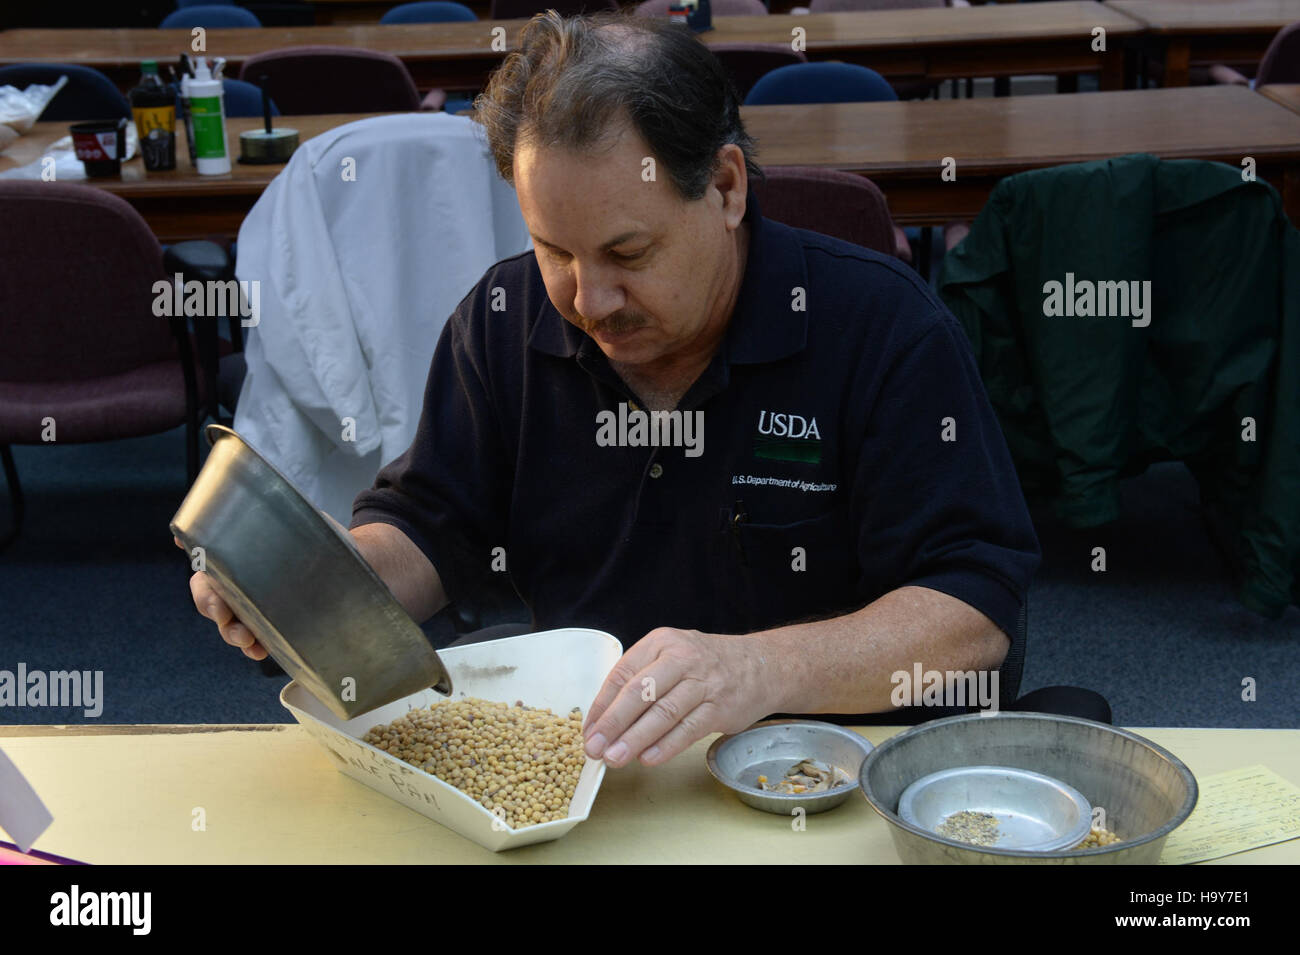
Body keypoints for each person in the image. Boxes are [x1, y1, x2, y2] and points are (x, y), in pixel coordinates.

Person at [186, 11, 1040, 771]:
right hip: (591, 770)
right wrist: (322, 581)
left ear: (728, 188)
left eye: (628, 254)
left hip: (825, 769)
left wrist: (760, 667)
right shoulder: (501, 316)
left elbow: (972, 612)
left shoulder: (881, 328)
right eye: (554, 249)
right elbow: (429, 528)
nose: (589, 300)